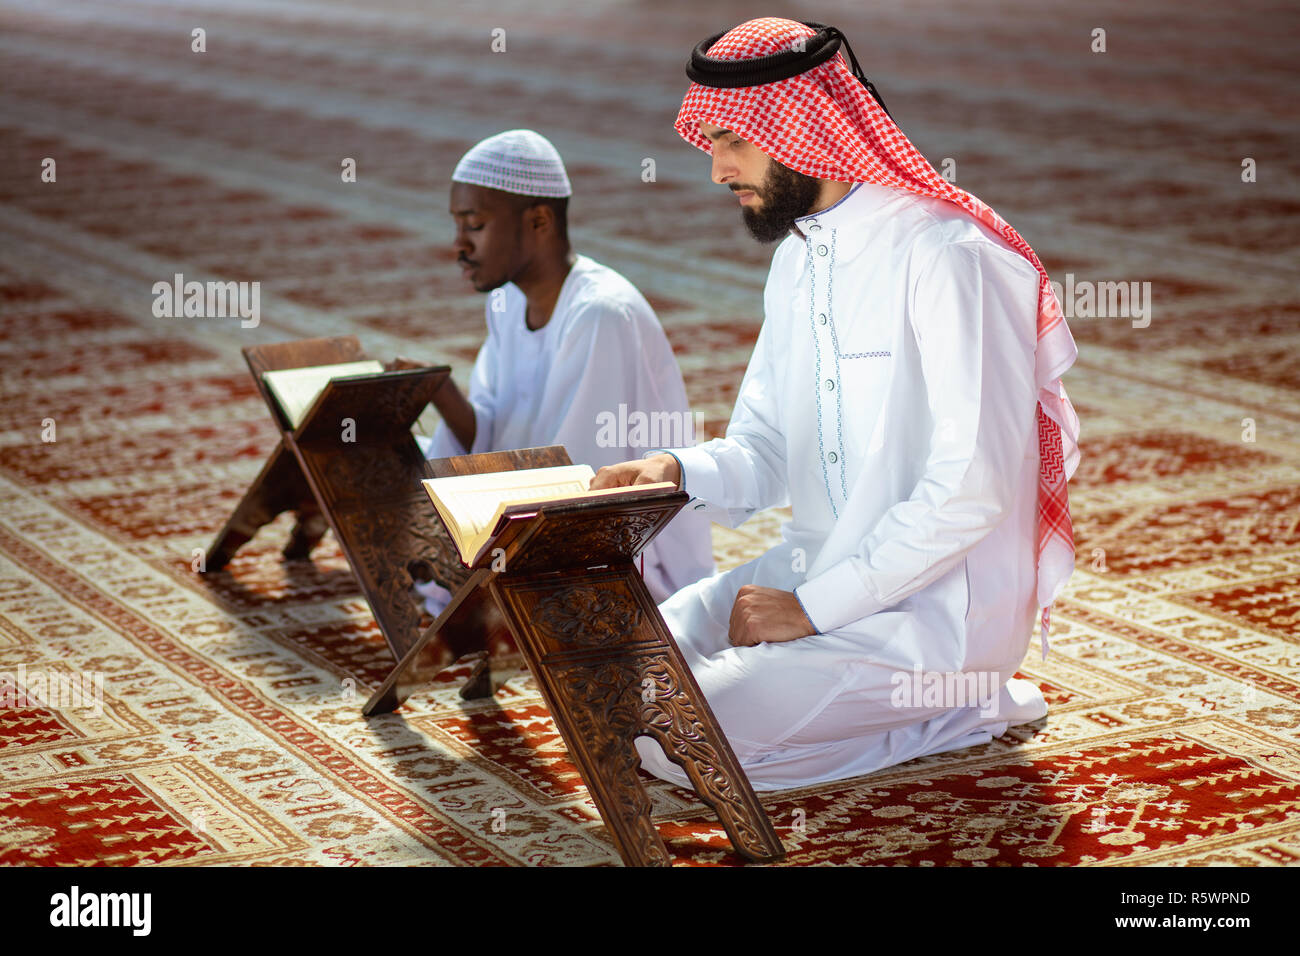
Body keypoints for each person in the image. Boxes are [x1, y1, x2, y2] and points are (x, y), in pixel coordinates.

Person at [591, 18, 1081, 791]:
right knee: (614, 677)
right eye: (710, 142)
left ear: (802, 127)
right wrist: (675, 471)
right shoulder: (796, 262)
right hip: (813, 567)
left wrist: (811, 611)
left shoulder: (945, 257)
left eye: (732, 141)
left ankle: (958, 707)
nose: (717, 170)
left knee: (672, 736)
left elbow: (972, 486)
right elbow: (767, 452)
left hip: (934, 617)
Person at [416, 129, 714, 613]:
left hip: (620, 554)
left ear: (538, 221)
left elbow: (582, 482)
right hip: (527, 515)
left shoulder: (600, 313)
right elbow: (496, 438)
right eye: (457, 226)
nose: (459, 245)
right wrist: (440, 393)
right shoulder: (505, 301)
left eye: (475, 225)